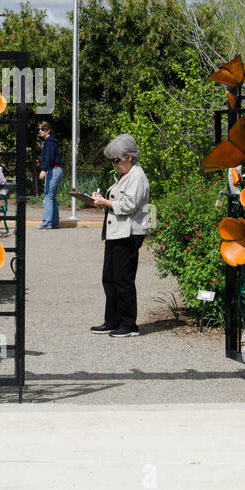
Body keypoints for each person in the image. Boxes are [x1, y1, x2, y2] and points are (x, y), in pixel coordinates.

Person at [88, 133, 150, 338]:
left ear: (130, 157)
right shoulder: (124, 175)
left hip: (129, 233)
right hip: (116, 232)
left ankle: (129, 325)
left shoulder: (137, 176)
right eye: (111, 160)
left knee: (123, 280)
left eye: (116, 160)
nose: (114, 164)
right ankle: (112, 321)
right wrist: (100, 199)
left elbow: (129, 205)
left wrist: (106, 203)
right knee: (109, 278)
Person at [36, 120, 63, 229]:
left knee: (47, 197)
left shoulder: (50, 142)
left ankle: (47, 223)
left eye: (43, 129)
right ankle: (54, 223)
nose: (40, 131)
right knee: (51, 197)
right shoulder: (50, 142)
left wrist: (44, 169)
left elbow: (49, 158)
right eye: (40, 129)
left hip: (53, 170)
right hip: (55, 170)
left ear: (49, 130)